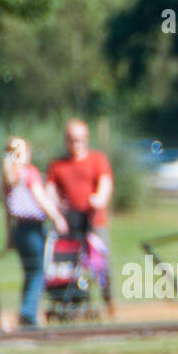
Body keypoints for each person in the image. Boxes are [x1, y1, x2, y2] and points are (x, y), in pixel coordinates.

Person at [46, 119, 114, 315]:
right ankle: (78, 300)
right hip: (70, 225)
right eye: (72, 140)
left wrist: (99, 199)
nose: (76, 144)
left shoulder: (97, 159)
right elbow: (50, 190)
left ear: (86, 139)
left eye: (80, 140)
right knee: (71, 265)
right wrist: (55, 207)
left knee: (102, 264)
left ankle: (109, 299)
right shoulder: (57, 165)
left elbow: (105, 183)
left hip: (94, 221)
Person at [1, 136, 68, 329]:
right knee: (38, 271)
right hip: (32, 229)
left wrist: (9, 235)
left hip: (19, 229)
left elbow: (7, 211)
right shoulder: (28, 173)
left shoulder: (7, 175)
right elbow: (41, 199)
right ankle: (28, 313)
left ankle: (25, 311)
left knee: (29, 271)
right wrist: (57, 217)